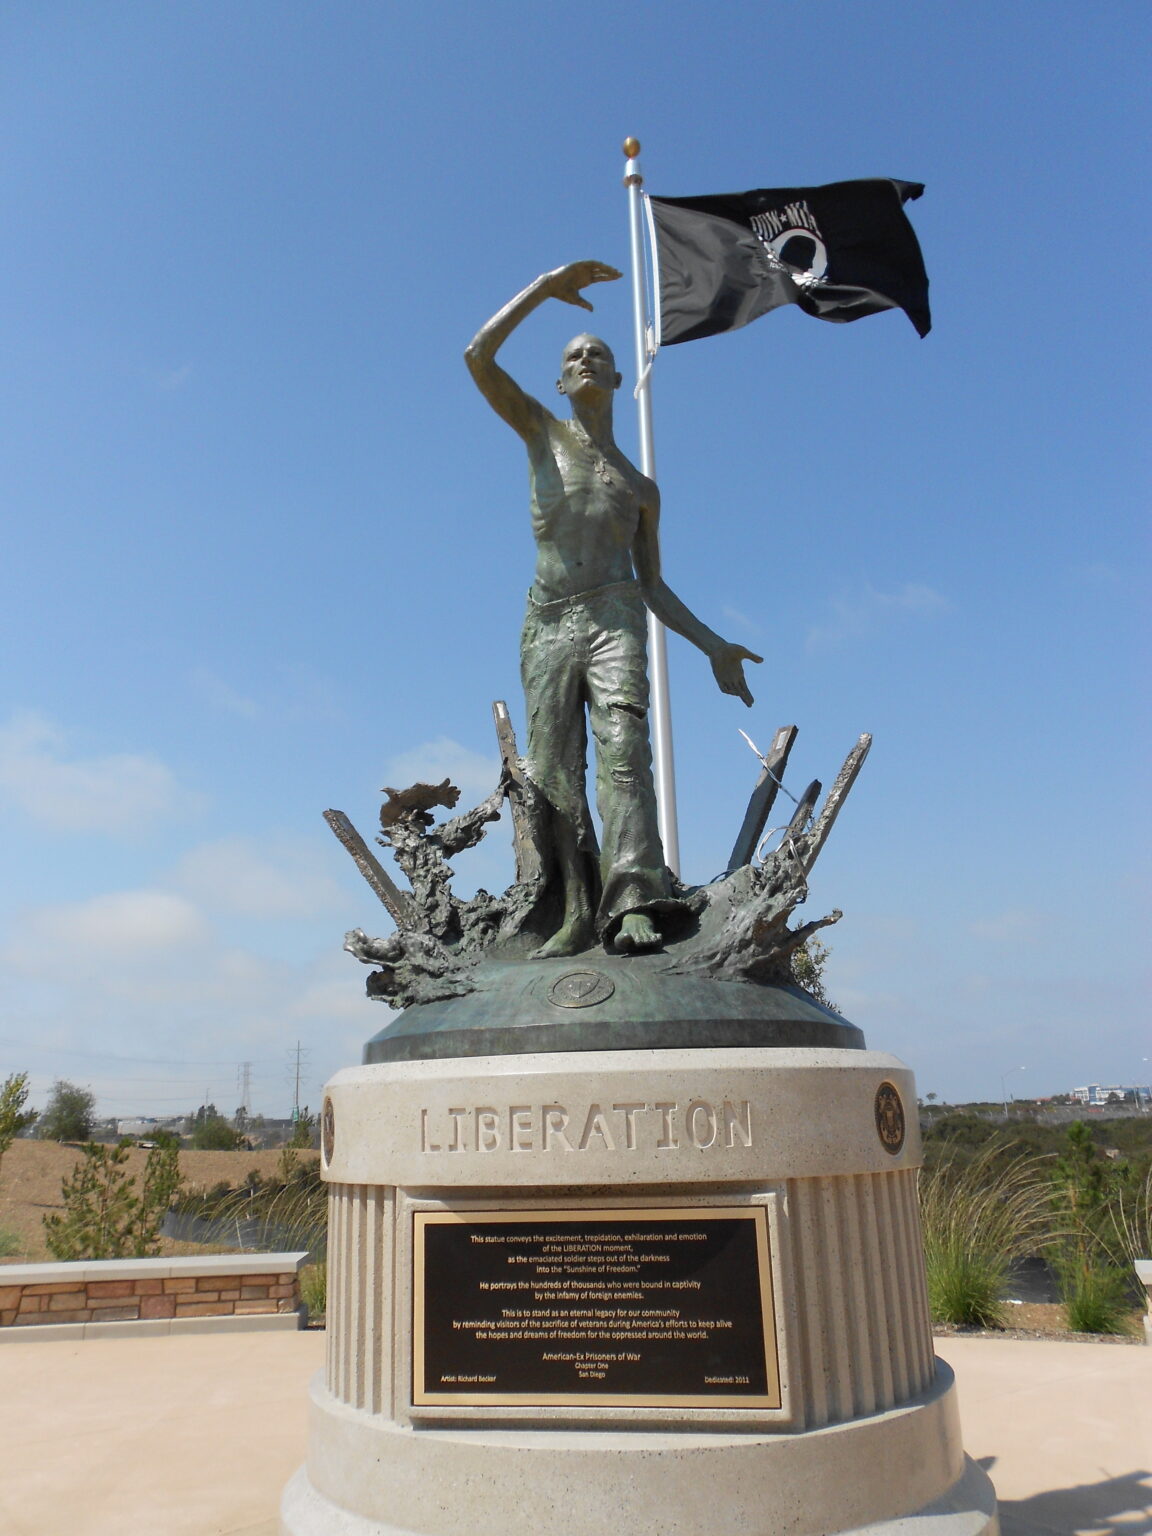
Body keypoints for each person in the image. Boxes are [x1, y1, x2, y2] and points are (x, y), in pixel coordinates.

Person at [465, 259, 761, 958]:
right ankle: (574, 906)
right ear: (562, 383)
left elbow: (654, 584)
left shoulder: (641, 488)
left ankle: (632, 901)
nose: (586, 358)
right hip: (548, 618)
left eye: (597, 352)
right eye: (573, 356)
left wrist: (713, 644)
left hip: (616, 615)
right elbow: (477, 355)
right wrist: (541, 290)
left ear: (617, 380)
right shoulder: (541, 432)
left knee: (626, 752)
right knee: (553, 772)